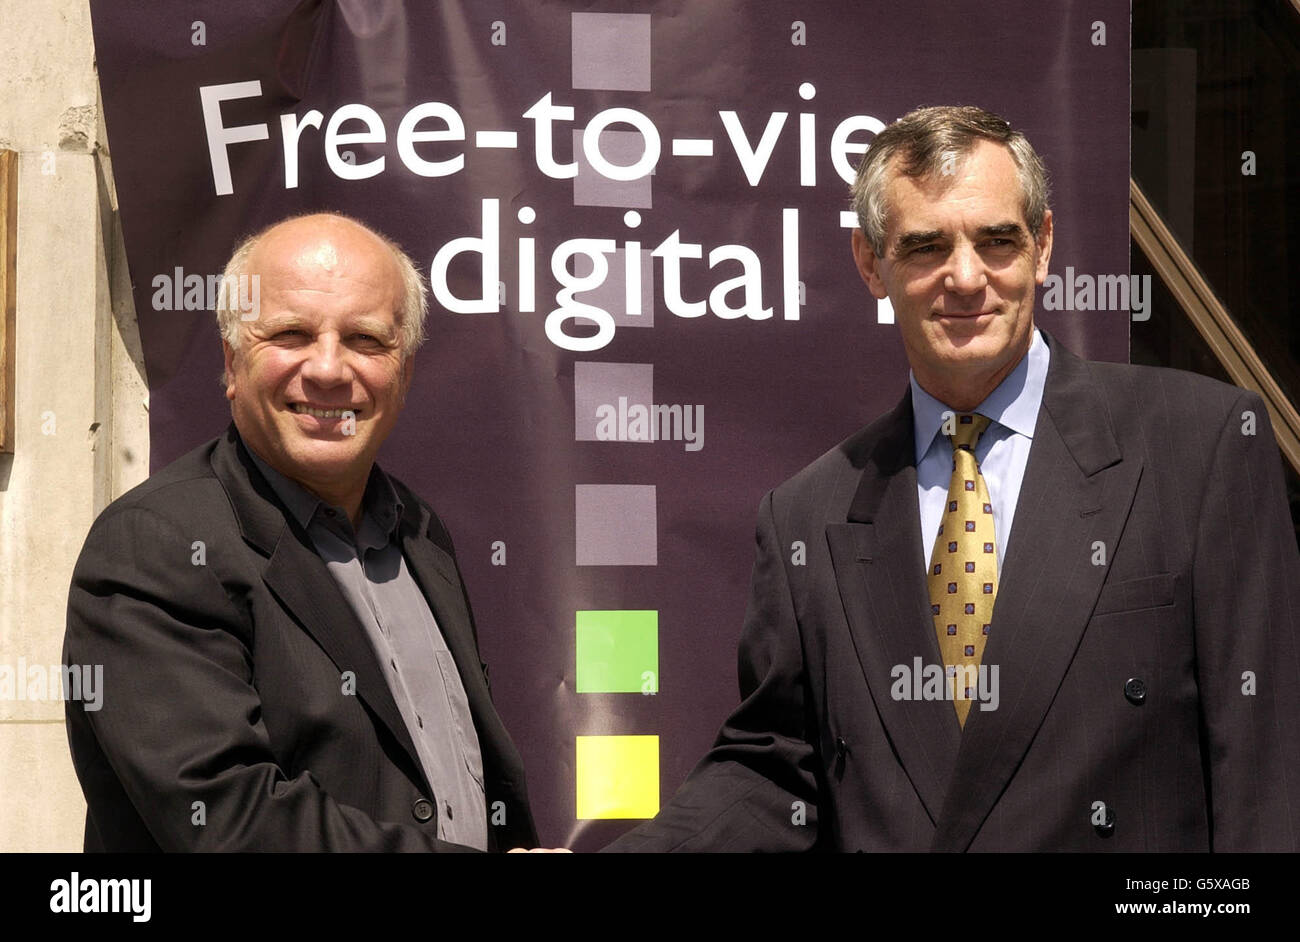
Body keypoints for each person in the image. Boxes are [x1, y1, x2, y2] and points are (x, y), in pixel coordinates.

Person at [606, 105, 1300, 852]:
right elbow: (776, 773)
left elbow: (1266, 770)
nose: (965, 277)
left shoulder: (1200, 447)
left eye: (997, 240)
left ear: (1043, 245)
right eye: (925, 246)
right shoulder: (808, 517)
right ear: (871, 264)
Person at [63, 212, 538, 851]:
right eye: (291, 333)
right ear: (232, 361)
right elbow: (231, 823)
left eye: (366, 339)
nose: (328, 370)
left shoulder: (419, 533)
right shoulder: (156, 547)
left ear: (406, 369)